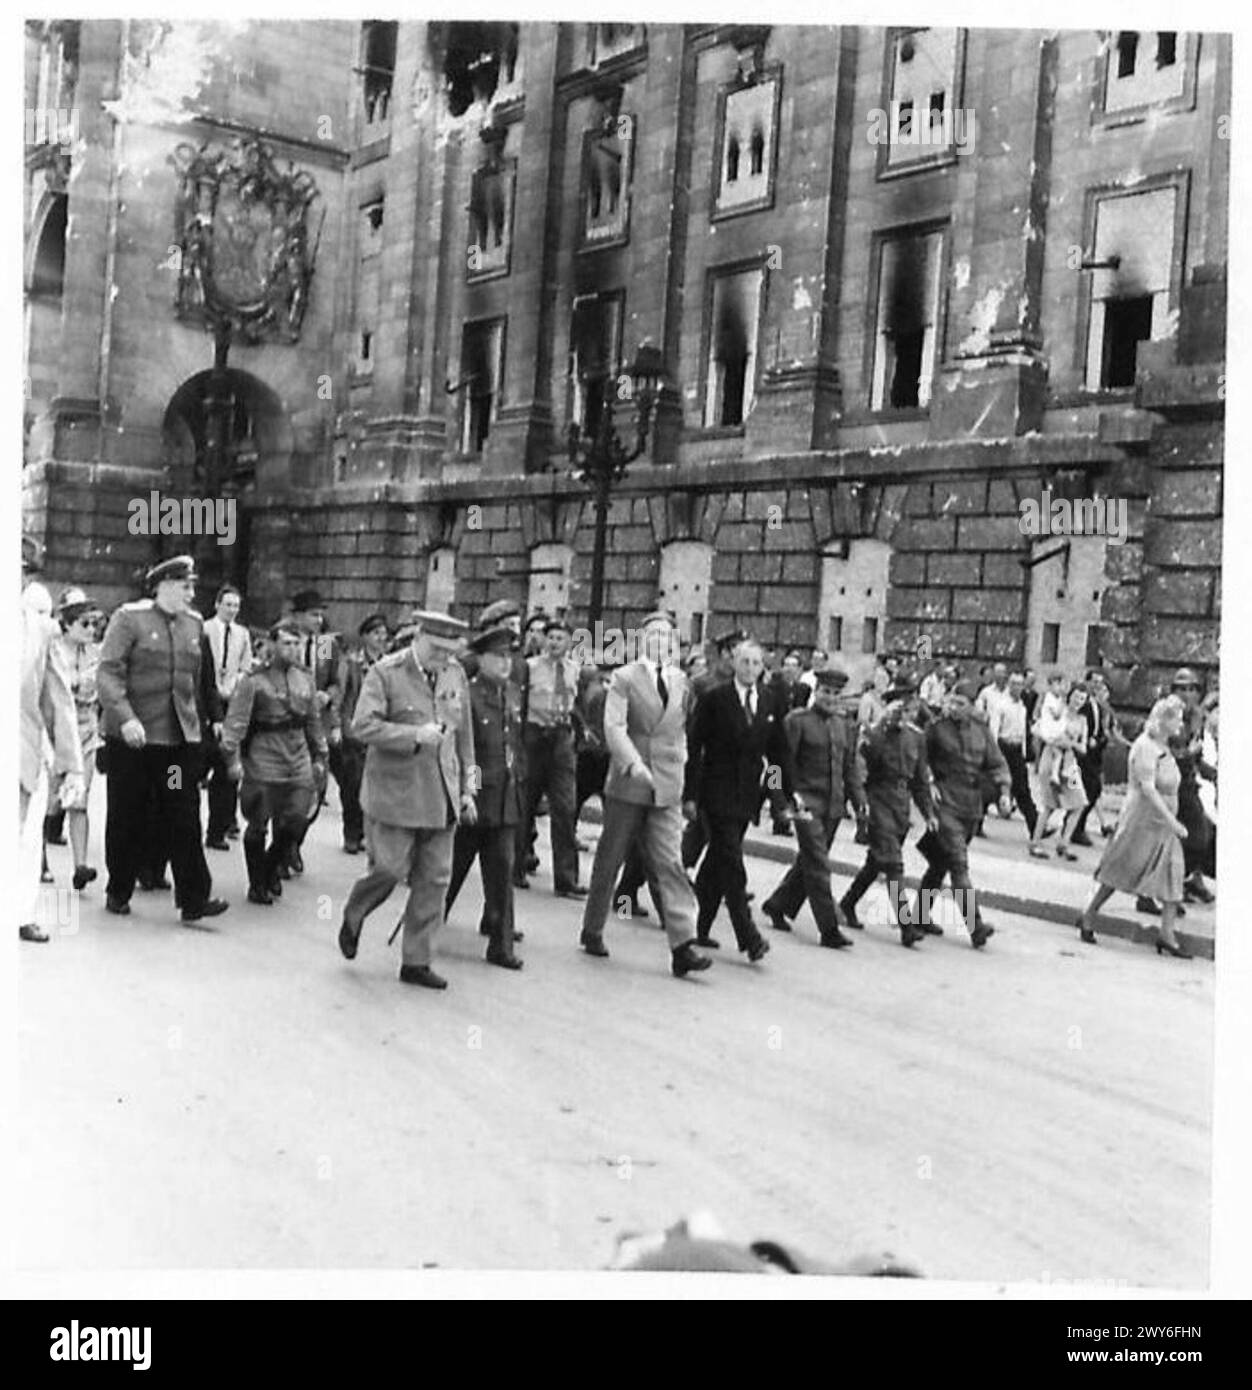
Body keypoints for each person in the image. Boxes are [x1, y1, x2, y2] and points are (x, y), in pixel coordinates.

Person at [337, 610, 476, 990]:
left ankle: (417, 960)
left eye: (450, 652)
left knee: (435, 880)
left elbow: (465, 739)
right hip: (397, 792)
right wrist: (414, 735)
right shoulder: (386, 672)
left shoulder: (455, 674)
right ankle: (356, 910)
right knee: (389, 869)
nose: (443, 658)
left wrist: (470, 788)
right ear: (419, 637)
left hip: (443, 793)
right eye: (437, 649)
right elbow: (362, 725)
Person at [96, 555, 227, 924]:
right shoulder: (129, 618)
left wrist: (206, 725)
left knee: (183, 813)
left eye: (192, 585)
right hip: (133, 741)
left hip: (174, 743)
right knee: (128, 814)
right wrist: (125, 718)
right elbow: (108, 673)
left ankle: (193, 899)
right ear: (164, 586)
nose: (191, 592)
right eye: (185, 585)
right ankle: (119, 888)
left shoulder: (194, 624)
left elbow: (200, 683)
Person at [580, 612, 711, 978]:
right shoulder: (624, 678)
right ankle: (593, 928)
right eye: (653, 636)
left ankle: (683, 944)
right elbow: (614, 727)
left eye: (667, 637)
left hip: (667, 782)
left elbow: (682, 730)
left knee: (670, 862)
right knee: (611, 856)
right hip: (630, 779)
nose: (660, 643)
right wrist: (632, 762)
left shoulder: (683, 682)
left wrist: (681, 763)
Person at [684, 639, 796, 959]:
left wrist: (788, 793)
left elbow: (778, 752)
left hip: (748, 794)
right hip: (715, 793)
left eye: (756, 663)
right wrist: (690, 795)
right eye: (744, 662)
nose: (749, 669)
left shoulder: (771, 701)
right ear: (733, 663)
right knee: (732, 863)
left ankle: (698, 928)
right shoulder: (715, 698)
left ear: (763, 667)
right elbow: (694, 747)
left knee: (716, 865)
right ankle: (748, 935)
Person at [1075, 696, 1192, 957]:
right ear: (1164, 719)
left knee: (1173, 874)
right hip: (1142, 821)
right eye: (1178, 718)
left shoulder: (1164, 745)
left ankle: (1167, 934)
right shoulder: (1145, 746)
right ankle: (1089, 914)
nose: (1181, 724)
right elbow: (1148, 788)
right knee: (1120, 870)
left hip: (1163, 827)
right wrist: (1173, 820)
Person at [220, 619, 327, 904]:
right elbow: (236, 723)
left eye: (297, 643)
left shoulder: (305, 678)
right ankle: (258, 882)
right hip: (264, 758)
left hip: (298, 757)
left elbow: (313, 720)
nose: (292, 649)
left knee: (296, 820)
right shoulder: (254, 681)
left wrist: (321, 754)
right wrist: (232, 759)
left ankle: (270, 868)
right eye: (286, 643)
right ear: (272, 644)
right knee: (258, 822)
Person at [761, 668, 867, 948]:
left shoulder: (843, 725)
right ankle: (829, 928)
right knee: (819, 864)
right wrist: (780, 802)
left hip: (832, 806)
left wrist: (860, 804)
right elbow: (778, 764)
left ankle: (777, 904)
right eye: (825, 692)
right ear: (815, 691)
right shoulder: (797, 721)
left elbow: (849, 768)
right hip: (804, 803)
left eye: (835, 694)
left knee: (808, 861)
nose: (830, 698)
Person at [444, 624, 525, 970]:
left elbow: (515, 746)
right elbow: (468, 753)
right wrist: (470, 792)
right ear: (480, 658)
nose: (505, 662)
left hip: (506, 798)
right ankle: (426, 924)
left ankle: (501, 944)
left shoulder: (511, 693)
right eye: (497, 656)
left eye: (509, 655)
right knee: (450, 873)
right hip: (477, 800)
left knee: (502, 874)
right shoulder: (469, 696)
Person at [840, 675, 937, 947]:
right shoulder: (874, 733)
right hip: (879, 799)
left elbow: (919, 781)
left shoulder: (916, 738)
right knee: (893, 864)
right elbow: (862, 769)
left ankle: (847, 903)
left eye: (911, 710)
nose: (907, 715)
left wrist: (928, 812)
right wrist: (862, 805)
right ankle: (907, 926)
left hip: (900, 805)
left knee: (876, 862)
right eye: (902, 709)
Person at [914, 679, 1011, 947]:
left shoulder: (981, 731)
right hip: (945, 802)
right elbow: (919, 760)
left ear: (972, 706)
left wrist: (1004, 792)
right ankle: (975, 926)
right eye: (951, 701)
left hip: (971, 805)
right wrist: (929, 782)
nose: (954, 707)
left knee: (941, 863)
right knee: (958, 864)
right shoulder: (936, 729)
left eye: (961, 703)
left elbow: (997, 763)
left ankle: (919, 915)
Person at [20, 543, 84, 942]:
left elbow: (58, 700)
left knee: (24, 839)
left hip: (22, 751)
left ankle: (20, 913)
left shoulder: (39, 630)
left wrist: (72, 765)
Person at [518, 618, 584, 898]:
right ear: (544, 641)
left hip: (560, 739)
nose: (555, 642)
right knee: (525, 805)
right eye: (551, 637)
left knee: (565, 808)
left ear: (569, 642)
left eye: (561, 638)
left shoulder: (575, 670)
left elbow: (576, 707)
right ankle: (516, 867)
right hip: (534, 736)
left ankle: (566, 878)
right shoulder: (530, 669)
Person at [49, 590, 103, 892]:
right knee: (50, 801)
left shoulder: (95, 654)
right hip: (58, 730)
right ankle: (40, 861)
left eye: (93, 624)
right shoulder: (53, 650)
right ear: (67, 625)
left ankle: (80, 866)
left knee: (79, 799)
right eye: (84, 624)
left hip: (86, 729)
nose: (91, 630)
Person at [288, 588, 342, 872]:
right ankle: (284, 844)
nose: (318, 620)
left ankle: (296, 840)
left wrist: (327, 696)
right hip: (289, 725)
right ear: (297, 616)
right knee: (289, 788)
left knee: (316, 788)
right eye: (312, 614)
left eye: (320, 615)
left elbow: (335, 681)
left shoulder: (325, 645)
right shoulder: (285, 640)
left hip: (317, 725)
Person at [334, 612, 389, 854]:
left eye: (384, 634)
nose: (381, 638)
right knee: (352, 784)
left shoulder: (389, 663)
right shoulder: (352, 662)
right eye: (376, 634)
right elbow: (342, 694)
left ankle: (368, 833)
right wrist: (337, 725)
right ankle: (351, 832)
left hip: (379, 733)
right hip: (355, 732)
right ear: (365, 636)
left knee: (376, 786)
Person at [203, 584, 252, 847]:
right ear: (217, 605)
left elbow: (245, 666)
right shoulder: (204, 629)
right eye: (228, 605)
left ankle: (218, 828)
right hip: (208, 703)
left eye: (236, 606)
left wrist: (236, 685)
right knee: (192, 769)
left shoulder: (242, 634)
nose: (232, 610)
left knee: (227, 768)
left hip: (231, 703)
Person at [1168, 668, 1215, 905]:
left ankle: (1183, 884)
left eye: (1193, 689)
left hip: (1188, 786)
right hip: (1169, 789)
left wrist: (1213, 773)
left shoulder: (1195, 718)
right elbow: (1167, 756)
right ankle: (1170, 887)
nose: (1188, 694)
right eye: (1182, 689)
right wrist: (1189, 753)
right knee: (1196, 838)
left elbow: (1196, 759)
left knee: (1203, 838)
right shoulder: (1168, 717)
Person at [1028, 681, 1089, 861]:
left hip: (1070, 764)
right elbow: (1040, 730)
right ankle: (1035, 842)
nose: (1078, 701)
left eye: (1082, 699)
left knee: (1079, 802)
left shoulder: (1082, 720)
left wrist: (1071, 744)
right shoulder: (1057, 712)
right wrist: (1053, 740)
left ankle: (1064, 842)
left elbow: (1083, 748)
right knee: (1050, 804)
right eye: (1076, 697)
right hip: (1051, 757)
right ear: (1069, 696)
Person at [988, 670, 1037, 840]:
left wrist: (1024, 752)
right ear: (1009, 685)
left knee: (1022, 789)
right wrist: (993, 753)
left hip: (1016, 751)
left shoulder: (1022, 707)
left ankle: (1035, 827)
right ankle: (976, 821)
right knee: (992, 786)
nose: (1017, 687)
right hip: (1003, 747)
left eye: (1020, 684)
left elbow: (1022, 732)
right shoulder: (1001, 705)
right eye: (1014, 684)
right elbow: (994, 730)